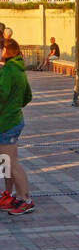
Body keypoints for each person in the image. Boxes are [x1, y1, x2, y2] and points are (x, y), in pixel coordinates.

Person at [0, 39, 34, 214]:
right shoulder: (18, 68)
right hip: (11, 119)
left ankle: (25, 199)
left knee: (11, 162)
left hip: (7, 122)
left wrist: (9, 109)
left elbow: (1, 94)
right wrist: (15, 106)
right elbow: (28, 95)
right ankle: (8, 194)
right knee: (4, 162)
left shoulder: (8, 70)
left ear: (5, 50)